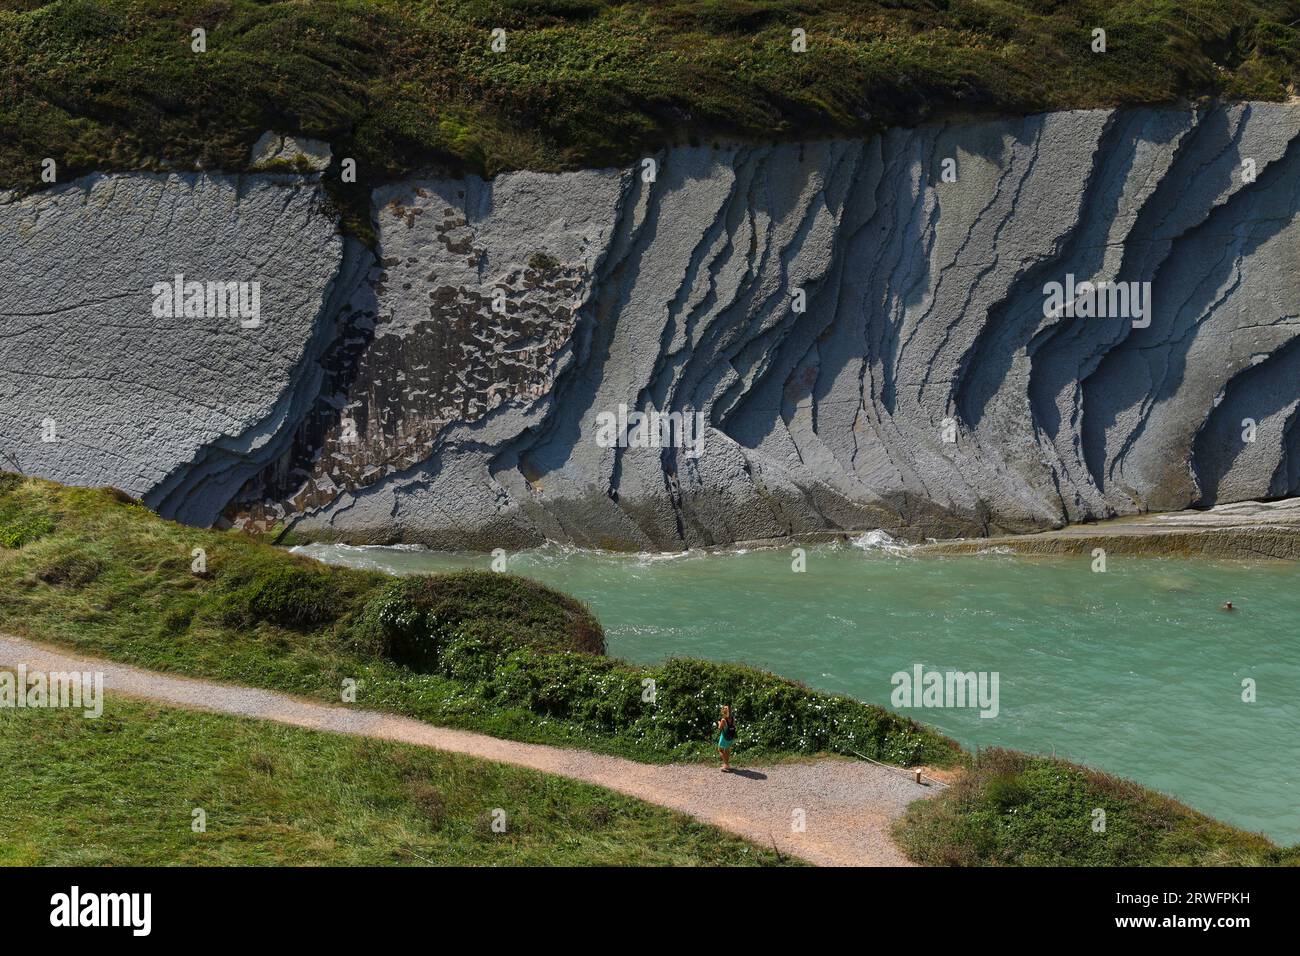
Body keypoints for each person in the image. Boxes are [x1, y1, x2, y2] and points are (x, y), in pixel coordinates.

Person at [717, 704, 737, 771]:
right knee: (727, 750)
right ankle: (727, 764)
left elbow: (719, 728)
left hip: (724, 737)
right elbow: (734, 726)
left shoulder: (723, 720)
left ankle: (726, 765)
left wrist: (719, 722)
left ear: (724, 712)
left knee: (720, 750)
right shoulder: (732, 718)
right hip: (730, 737)